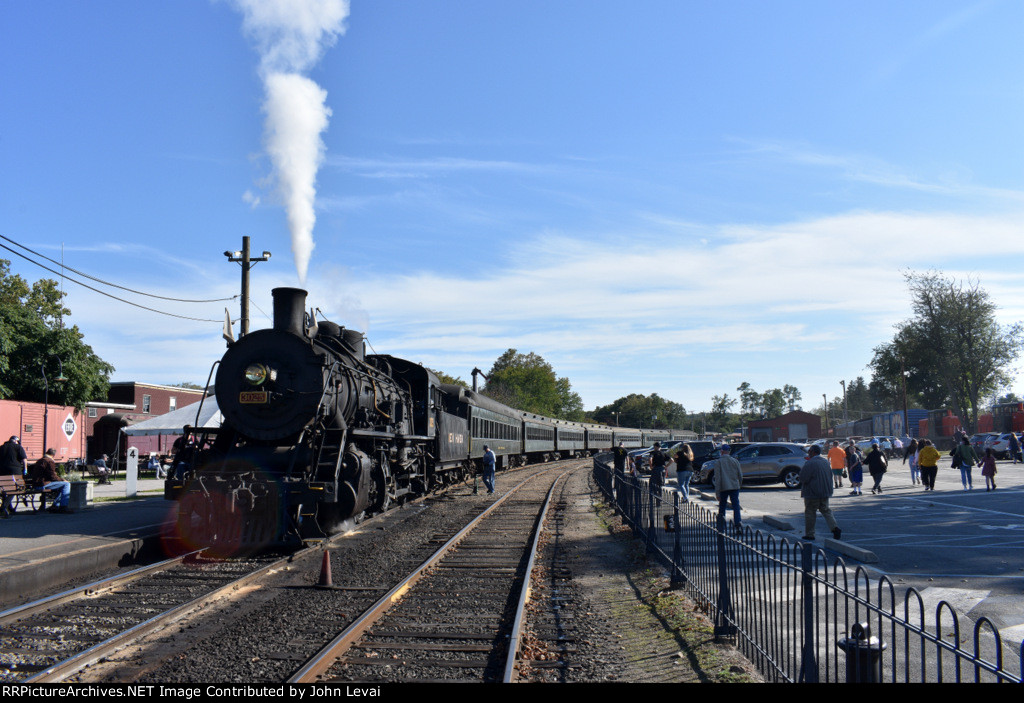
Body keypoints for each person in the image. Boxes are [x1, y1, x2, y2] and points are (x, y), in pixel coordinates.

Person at [799, 444, 842, 541]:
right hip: (825, 491)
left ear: (813, 452)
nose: (808, 453)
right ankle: (835, 528)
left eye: (809, 451)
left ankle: (810, 534)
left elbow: (803, 478)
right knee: (826, 511)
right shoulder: (825, 462)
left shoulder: (810, 463)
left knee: (810, 512)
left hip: (812, 492)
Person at [712, 443, 743, 532]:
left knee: (722, 506)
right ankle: (738, 524)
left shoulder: (718, 462)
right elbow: (740, 475)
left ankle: (722, 526)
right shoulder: (735, 461)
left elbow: (717, 479)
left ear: (721, 452)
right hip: (734, 486)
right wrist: (739, 485)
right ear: (729, 452)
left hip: (723, 487)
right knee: (736, 506)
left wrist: (717, 493)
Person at [35, 448, 72, 513]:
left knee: (61, 486)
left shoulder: (40, 460)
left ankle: (55, 506)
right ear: (53, 455)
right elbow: (53, 476)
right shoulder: (49, 461)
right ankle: (63, 507)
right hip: (43, 484)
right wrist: (63, 480)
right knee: (66, 485)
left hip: (37, 484)